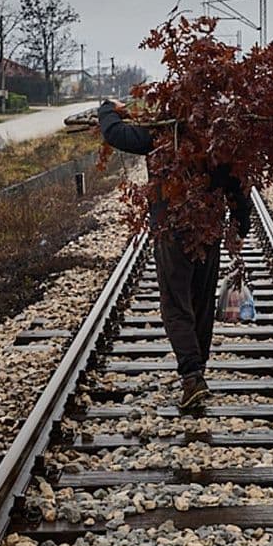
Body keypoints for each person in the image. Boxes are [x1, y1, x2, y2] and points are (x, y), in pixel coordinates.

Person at [98, 99, 252, 408]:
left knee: (175, 304)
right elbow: (239, 188)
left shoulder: (161, 134)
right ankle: (197, 372)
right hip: (207, 231)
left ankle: (192, 377)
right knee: (201, 303)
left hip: (170, 230)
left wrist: (106, 109)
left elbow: (116, 134)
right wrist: (240, 227)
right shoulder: (219, 138)